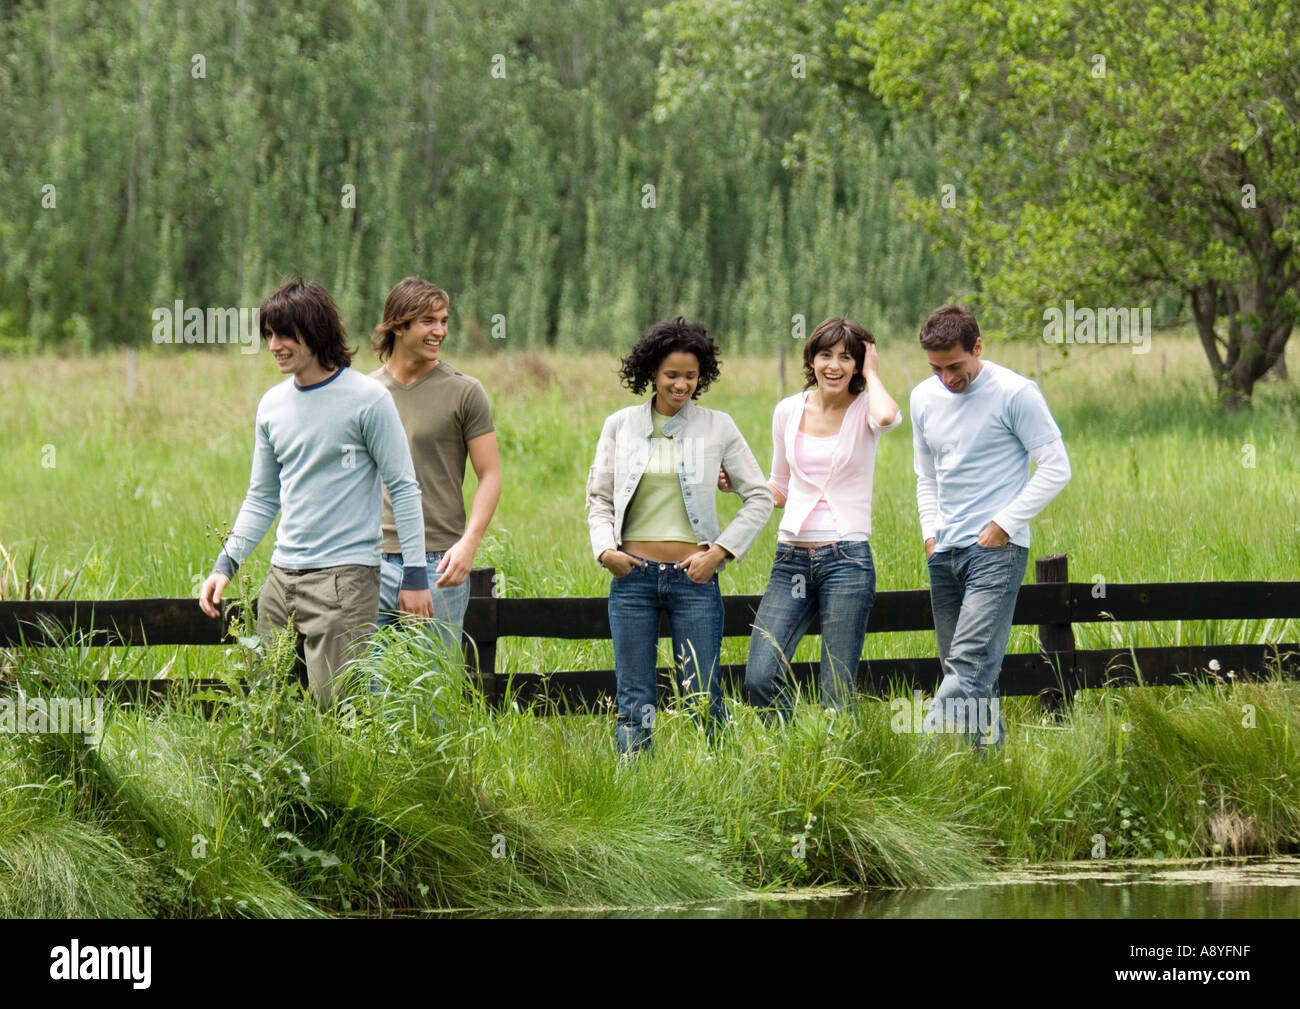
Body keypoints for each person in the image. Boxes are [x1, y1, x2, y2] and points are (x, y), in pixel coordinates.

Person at [198, 278, 434, 707]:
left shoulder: (368, 399)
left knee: (338, 708)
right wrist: (225, 564)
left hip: (345, 579)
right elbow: (262, 497)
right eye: (269, 334)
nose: (274, 345)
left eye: (285, 334)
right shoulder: (271, 405)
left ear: (315, 331)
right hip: (280, 578)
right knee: (269, 706)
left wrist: (415, 574)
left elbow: (402, 487)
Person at [586, 317, 772, 754]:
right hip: (632, 580)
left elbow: (759, 497)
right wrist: (605, 551)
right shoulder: (620, 425)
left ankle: (719, 789)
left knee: (704, 698)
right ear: (652, 371)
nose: (681, 385)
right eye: (672, 375)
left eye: (691, 376)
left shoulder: (718, 426)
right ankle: (633, 798)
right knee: (634, 702)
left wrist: (719, 554)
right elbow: (599, 499)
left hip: (695, 579)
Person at [910, 304, 1071, 746]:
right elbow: (927, 476)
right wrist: (930, 535)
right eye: (937, 368)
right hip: (944, 553)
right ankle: (986, 773)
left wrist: (1003, 524)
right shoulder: (923, 398)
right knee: (973, 674)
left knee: (965, 667)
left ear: (977, 347)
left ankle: (919, 764)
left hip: (996, 553)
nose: (947, 377)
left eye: (956, 366)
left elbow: (1057, 467)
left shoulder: (1016, 393)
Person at [740, 317, 901, 720]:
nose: (834, 365)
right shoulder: (788, 411)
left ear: (858, 366)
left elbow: (887, 418)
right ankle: (788, 757)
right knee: (760, 676)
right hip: (791, 559)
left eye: (847, 358)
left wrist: (873, 373)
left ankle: (831, 772)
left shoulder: (866, 408)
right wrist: (742, 487)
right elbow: (780, 487)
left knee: (837, 689)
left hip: (846, 560)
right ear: (811, 358)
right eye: (825, 354)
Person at [369, 278, 501, 658]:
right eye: (428, 321)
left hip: (438, 561)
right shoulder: (365, 393)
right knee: (370, 689)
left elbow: (490, 475)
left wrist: (468, 545)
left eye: (444, 321)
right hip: (371, 558)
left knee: (430, 692)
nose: (440, 331)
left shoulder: (465, 392)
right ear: (398, 324)